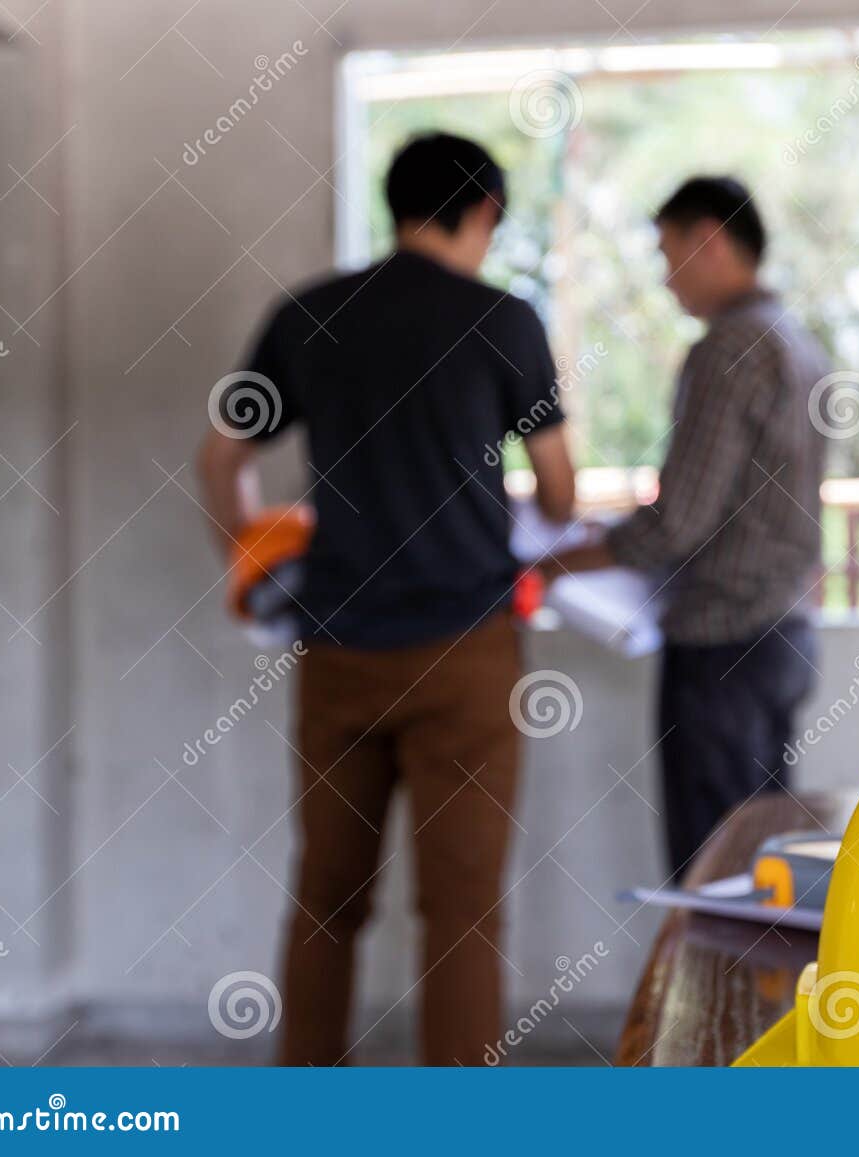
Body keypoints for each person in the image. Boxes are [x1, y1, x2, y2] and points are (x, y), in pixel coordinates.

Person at [195, 132, 575, 1066]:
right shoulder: (506, 322)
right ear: (483, 211)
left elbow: (221, 456)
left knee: (327, 895)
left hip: (338, 651)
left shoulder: (311, 314)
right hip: (466, 654)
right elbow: (561, 493)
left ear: (397, 205)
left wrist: (255, 566)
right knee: (461, 910)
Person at [544, 176, 828, 877]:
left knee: (713, 877)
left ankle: (716, 992)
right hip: (783, 634)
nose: (667, 278)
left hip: (721, 647)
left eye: (670, 253)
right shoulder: (798, 344)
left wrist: (558, 562)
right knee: (766, 870)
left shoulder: (728, 349)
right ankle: (772, 993)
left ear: (709, 240)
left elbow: (678, 523)